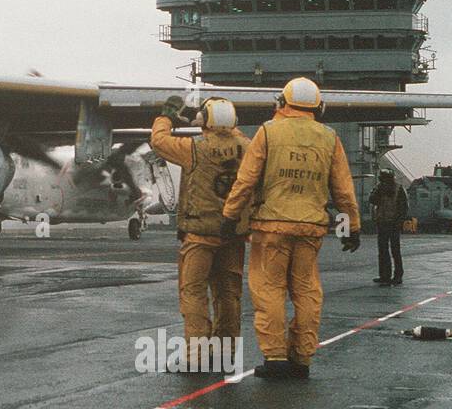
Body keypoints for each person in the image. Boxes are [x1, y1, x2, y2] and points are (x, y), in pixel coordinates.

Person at [219, 77, 361, 380]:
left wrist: (229, 217)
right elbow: (343, 189)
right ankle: (302, 358)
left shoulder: (268, 132)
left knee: (269, 291)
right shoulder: (329, 137)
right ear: (318, 107)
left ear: (281, 103)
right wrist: (352, 225)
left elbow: (246, 181)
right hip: (310, 228)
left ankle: (275, 357)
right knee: (307, 292)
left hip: (271, 226)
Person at [151, 95, 250, 371]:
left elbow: (158, 142)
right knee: (229, 293)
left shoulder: (194, 148)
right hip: (234, 234)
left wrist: (166, 117)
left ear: (203, 121)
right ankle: (226, 352)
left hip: (199, 233)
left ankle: (196, 357)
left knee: (193, 292)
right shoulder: (248, 146)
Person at [368, 169, 408, 285]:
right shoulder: (379, 189)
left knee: (395, 250)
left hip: (393, 223)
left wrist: (399, 222)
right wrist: (378, 191)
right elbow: (372, 200)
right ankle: (384, 276)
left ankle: (398, 276)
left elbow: (403, 207)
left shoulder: (399, 189)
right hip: (382, 222)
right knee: (383, 250)